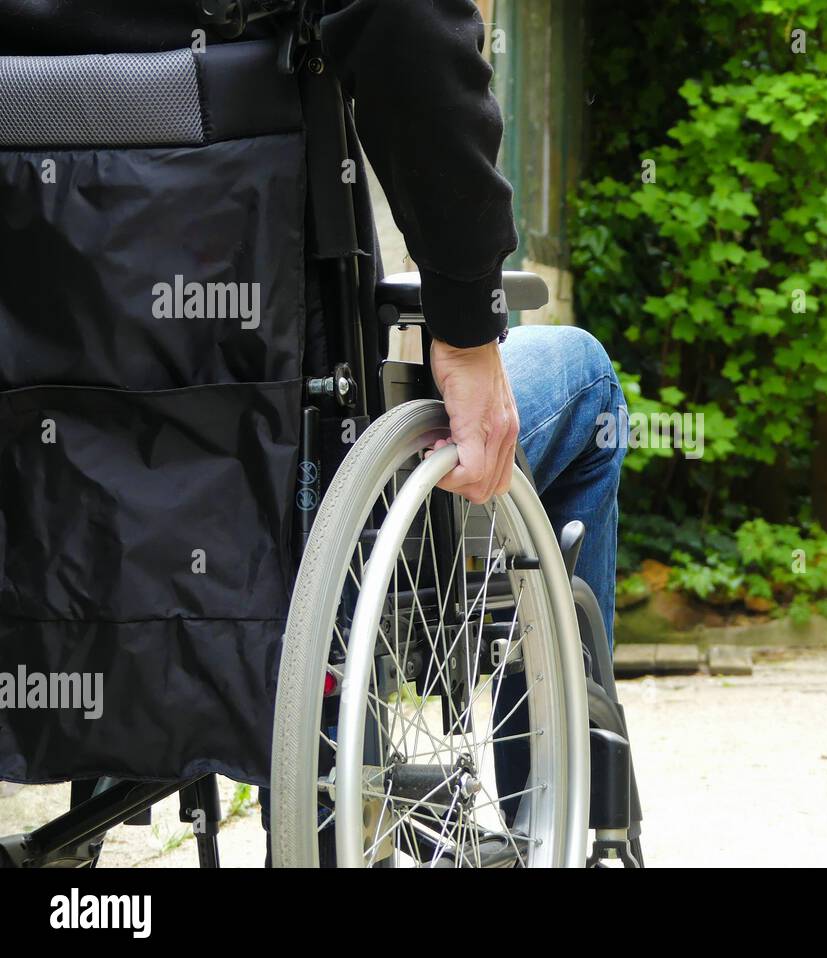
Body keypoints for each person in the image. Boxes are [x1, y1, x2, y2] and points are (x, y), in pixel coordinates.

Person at [1, 0, 627, 859]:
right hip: (276, 484)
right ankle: (546, 822)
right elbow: (406, 24)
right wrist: (467, 325)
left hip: (41, 527)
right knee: (585, 381)